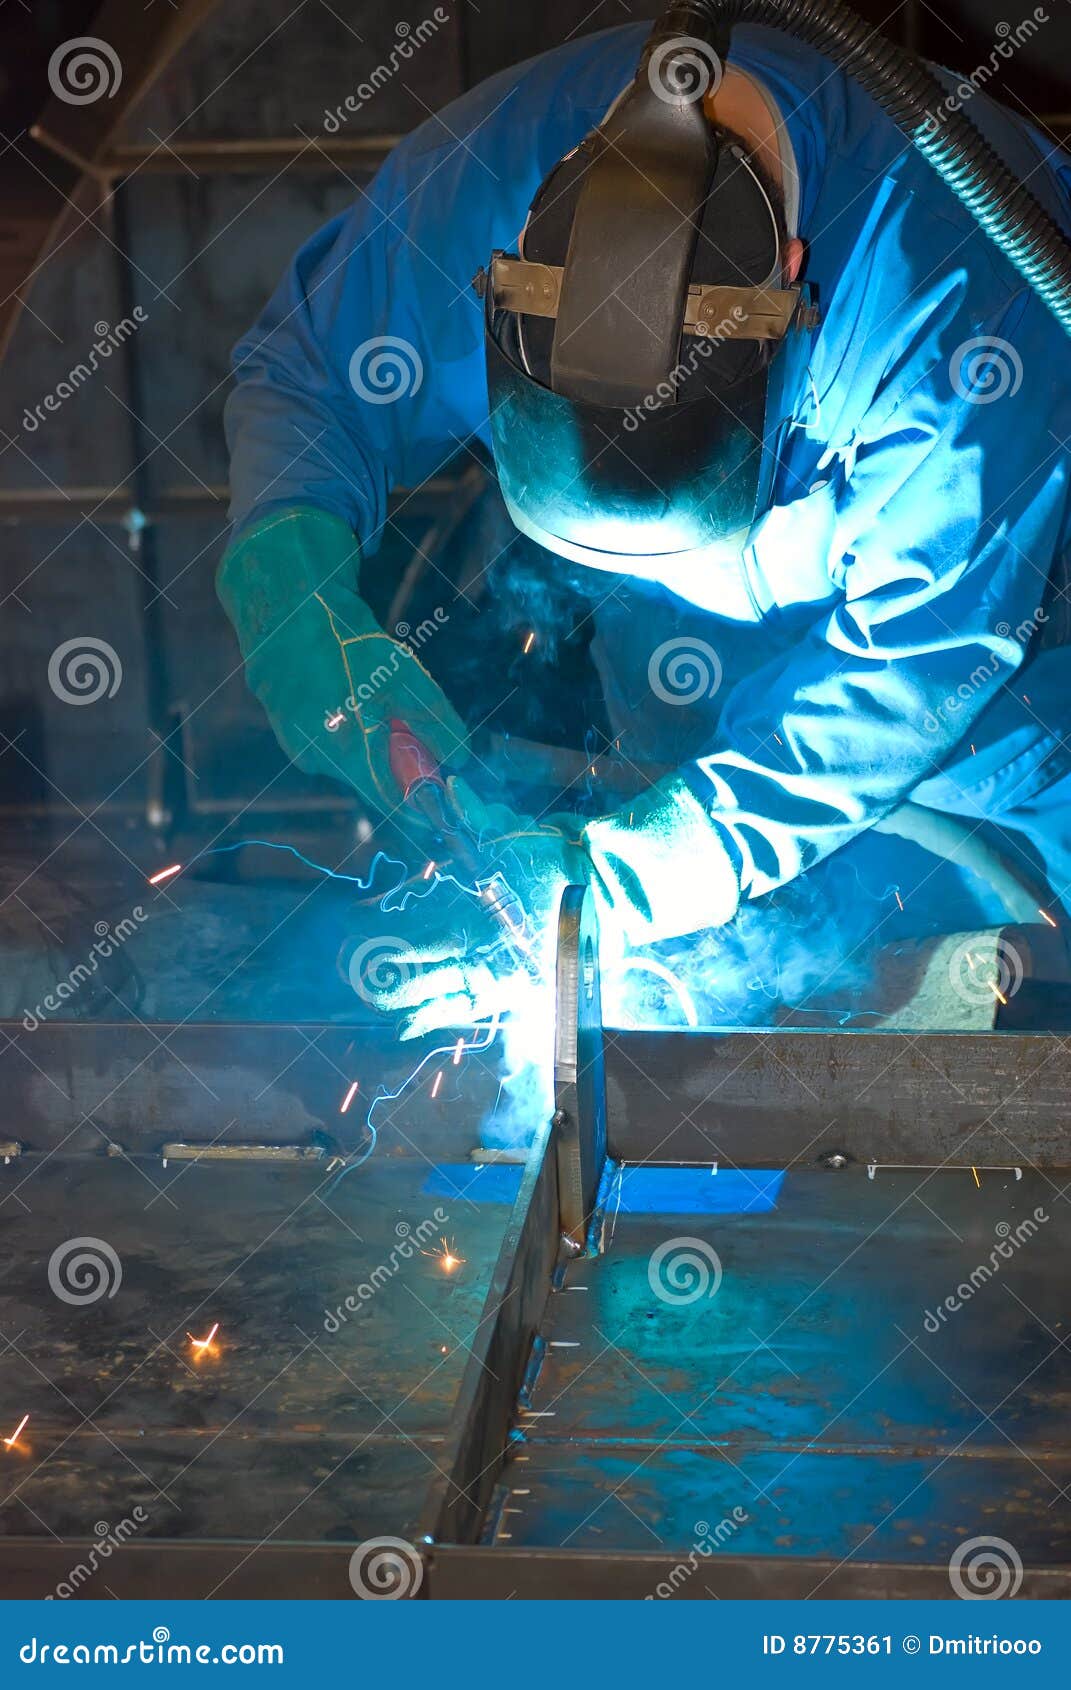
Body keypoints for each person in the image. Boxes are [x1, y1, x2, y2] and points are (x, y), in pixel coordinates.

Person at [220, 15, 1071, 1036]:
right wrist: (293, 593)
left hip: (1007, 666)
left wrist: (639, 876)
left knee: (1017, 986)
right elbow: (311, 380)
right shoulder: (478, 191)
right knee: (748, 993)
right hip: (688, 657)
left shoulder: (956, 297)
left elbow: (921, 661)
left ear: (789, 282)